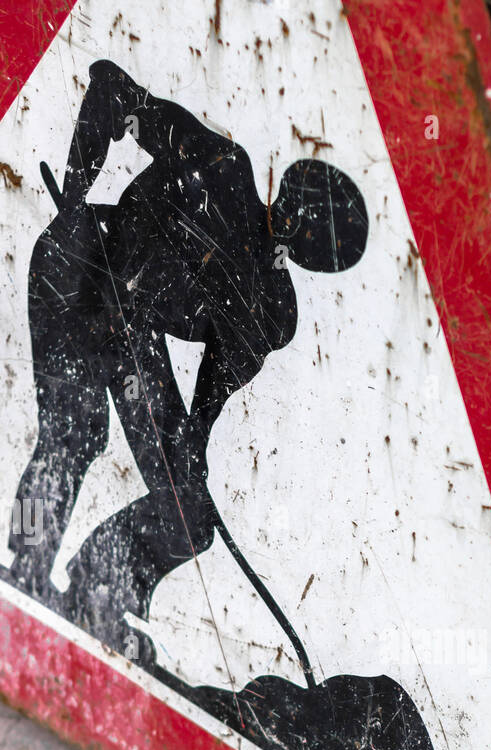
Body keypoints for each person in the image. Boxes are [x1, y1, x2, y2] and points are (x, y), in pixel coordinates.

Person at [6, 59, 368, 651]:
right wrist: (74, 201)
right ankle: (24, 565)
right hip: (80, 270)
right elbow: (109, 87)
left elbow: (210, 397)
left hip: (134, 338)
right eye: (302, 209)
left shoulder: (271, 313)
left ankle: (102, 587)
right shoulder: (223, 169)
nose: (297, 225)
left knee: (189, 514)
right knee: (73, 434)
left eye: (313, 234)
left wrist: (191, 448)